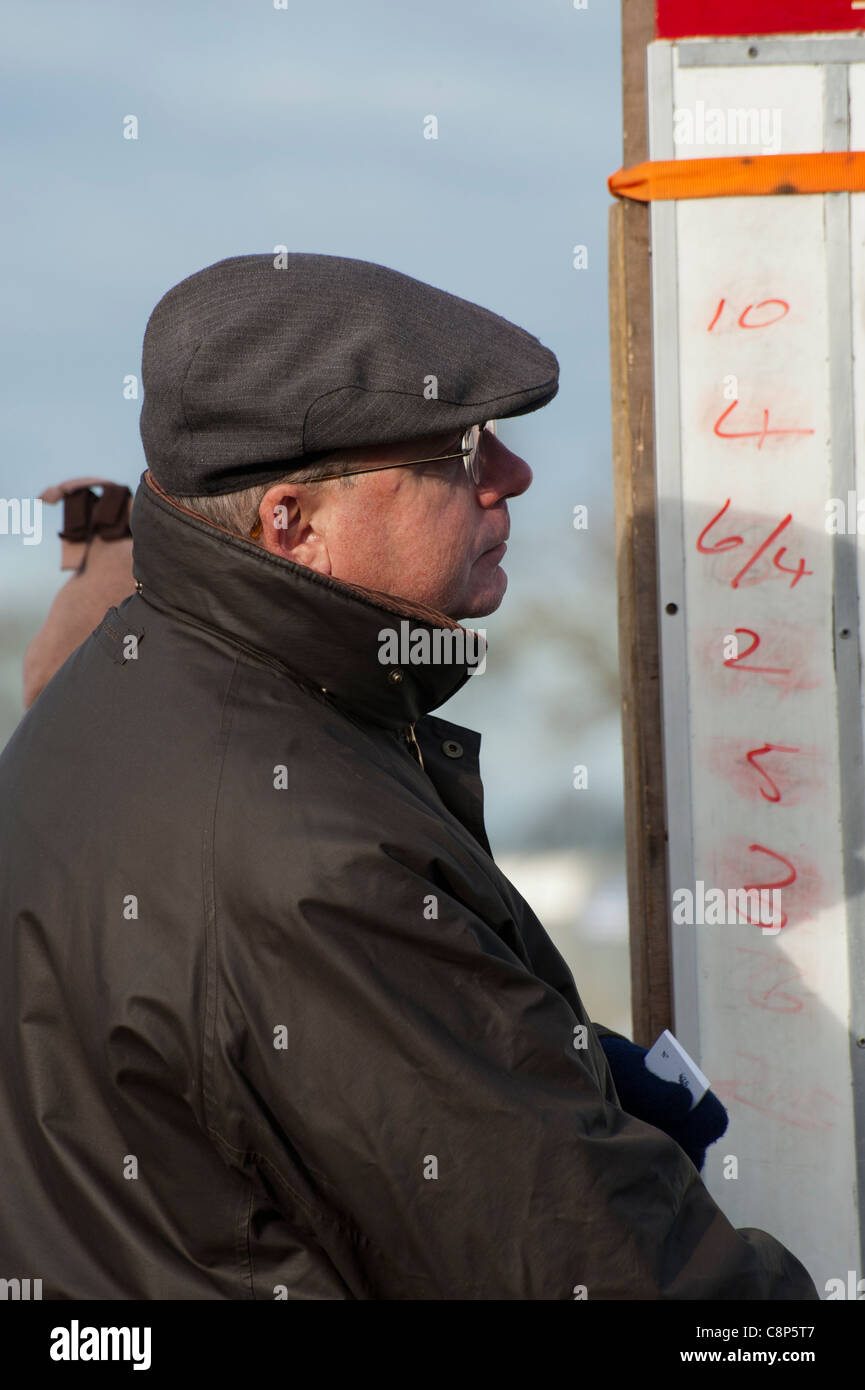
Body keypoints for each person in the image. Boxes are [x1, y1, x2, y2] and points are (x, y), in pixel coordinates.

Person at [0, 253, 817, 1299]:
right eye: (458, 451)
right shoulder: (314, 859)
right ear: (294, 523)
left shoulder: (126, 685)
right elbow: (598, 1272)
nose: (512, 476)